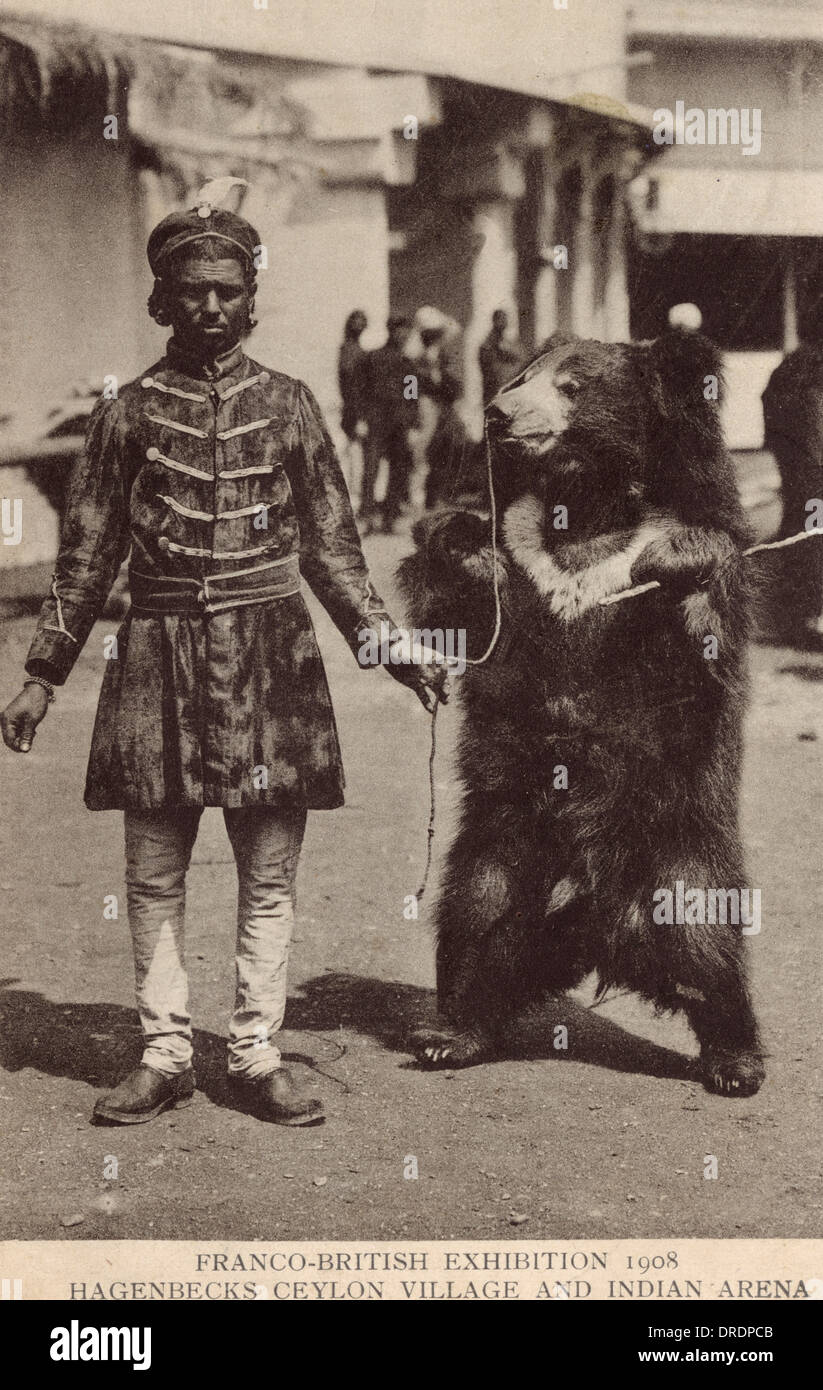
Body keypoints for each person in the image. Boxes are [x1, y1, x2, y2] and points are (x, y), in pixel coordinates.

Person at [0, 181, 446, 1129]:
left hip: (271, 662)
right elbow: (85, 557)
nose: (209, 305)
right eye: (190, 290)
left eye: (226, 289)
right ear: (162, 299)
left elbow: (333, 553)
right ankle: (164, 1054)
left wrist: (393, 647)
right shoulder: (125, 414)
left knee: (269, 872)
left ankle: (253, 1053)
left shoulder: (290, 407)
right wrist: (42, 672)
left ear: (251, 296)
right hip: (154, 658)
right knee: (154, 872)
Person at [358, 315, 418, 534]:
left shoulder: (408, 364)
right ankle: (366, 517)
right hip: (376, 421)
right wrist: (361, 419)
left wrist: (412, 426)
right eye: (399, 330)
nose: (403, 335)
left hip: (399, 424)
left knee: (399, 470)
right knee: (371, 469)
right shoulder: (372, 358)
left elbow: (412, 397)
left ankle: (390, 518)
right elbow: (361, 391)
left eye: (406, 331)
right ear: (390, 331)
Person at [414, 305, 467, 510]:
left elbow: (452, 383)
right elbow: (414, 386)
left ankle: (440, 495)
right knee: (424, 448)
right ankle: (422, 497)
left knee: (447, 447)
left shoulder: (443, 355)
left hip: (443, 406)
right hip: (427, 405)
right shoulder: (418, 358)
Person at [478, 308, 524, 405]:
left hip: (506, 388)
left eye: (505, 319)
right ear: (495, 321)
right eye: (501, 319)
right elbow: (490, 369)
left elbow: (519, 359)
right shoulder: (488, 343)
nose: (505, 322)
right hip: (493, 390)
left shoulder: (507, 342)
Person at [337, 309, 368, 442]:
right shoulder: (349, 349)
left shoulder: (355, 348)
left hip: (356, 404)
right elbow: (349, 382)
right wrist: (358, 415)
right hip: (353, 405)